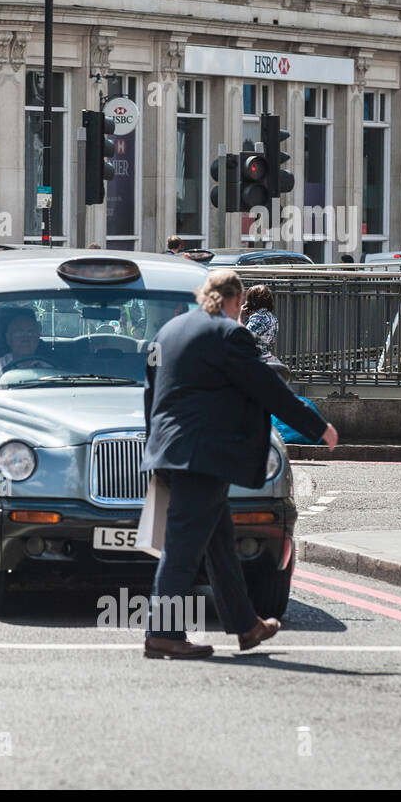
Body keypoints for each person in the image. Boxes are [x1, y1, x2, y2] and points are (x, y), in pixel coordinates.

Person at [140, 269, 338, 660]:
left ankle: (246, 626)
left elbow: (152, 394)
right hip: (202, 457)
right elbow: (268, 389)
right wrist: (318, 427)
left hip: (170, 451)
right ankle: (162, 632)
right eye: (239, 305)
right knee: (181, 549)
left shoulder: (169, 332)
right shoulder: (230, 335)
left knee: (220, 546)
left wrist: (156, 446)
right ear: (233, 300)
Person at [240, 284, 278, 357]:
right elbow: (272, 342)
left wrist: (240, 316)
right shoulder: (273, 318)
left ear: (252, 302)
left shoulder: (257, 318)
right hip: (267, 356)